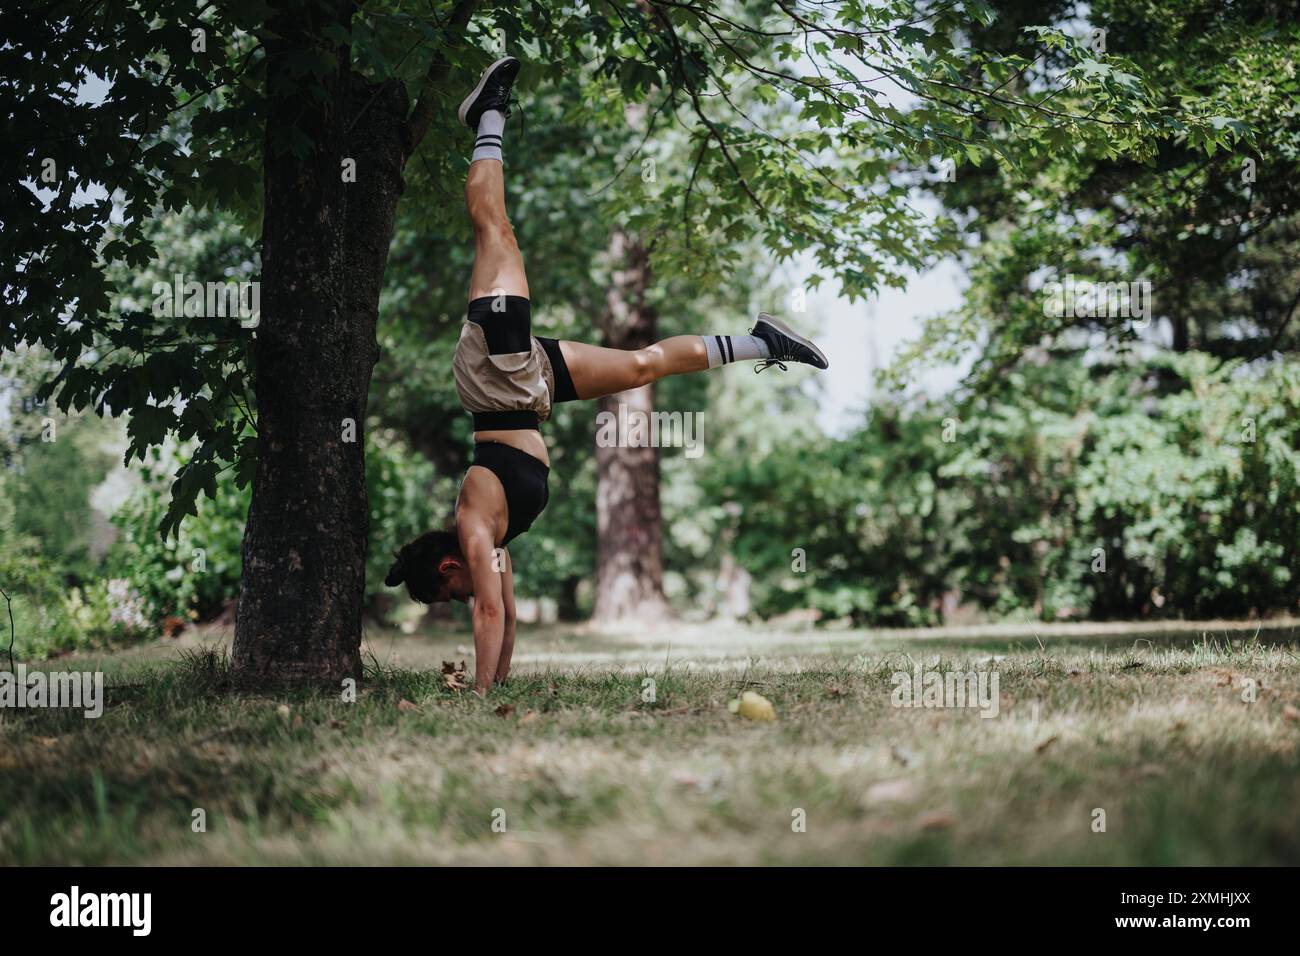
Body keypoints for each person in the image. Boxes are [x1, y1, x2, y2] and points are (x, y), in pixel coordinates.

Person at [385, 57, 828, 696]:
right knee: (642, 366)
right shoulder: (494, 541)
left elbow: (485, 612)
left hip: (500, 376)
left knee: (495, 228)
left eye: (449, 593)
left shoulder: (475, 521)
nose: (462, 599)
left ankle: (486, 117)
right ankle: (761, 340)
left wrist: (477, 698)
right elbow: (504, 618)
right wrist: (494, 689)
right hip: (527, 390)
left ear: (450, 565)